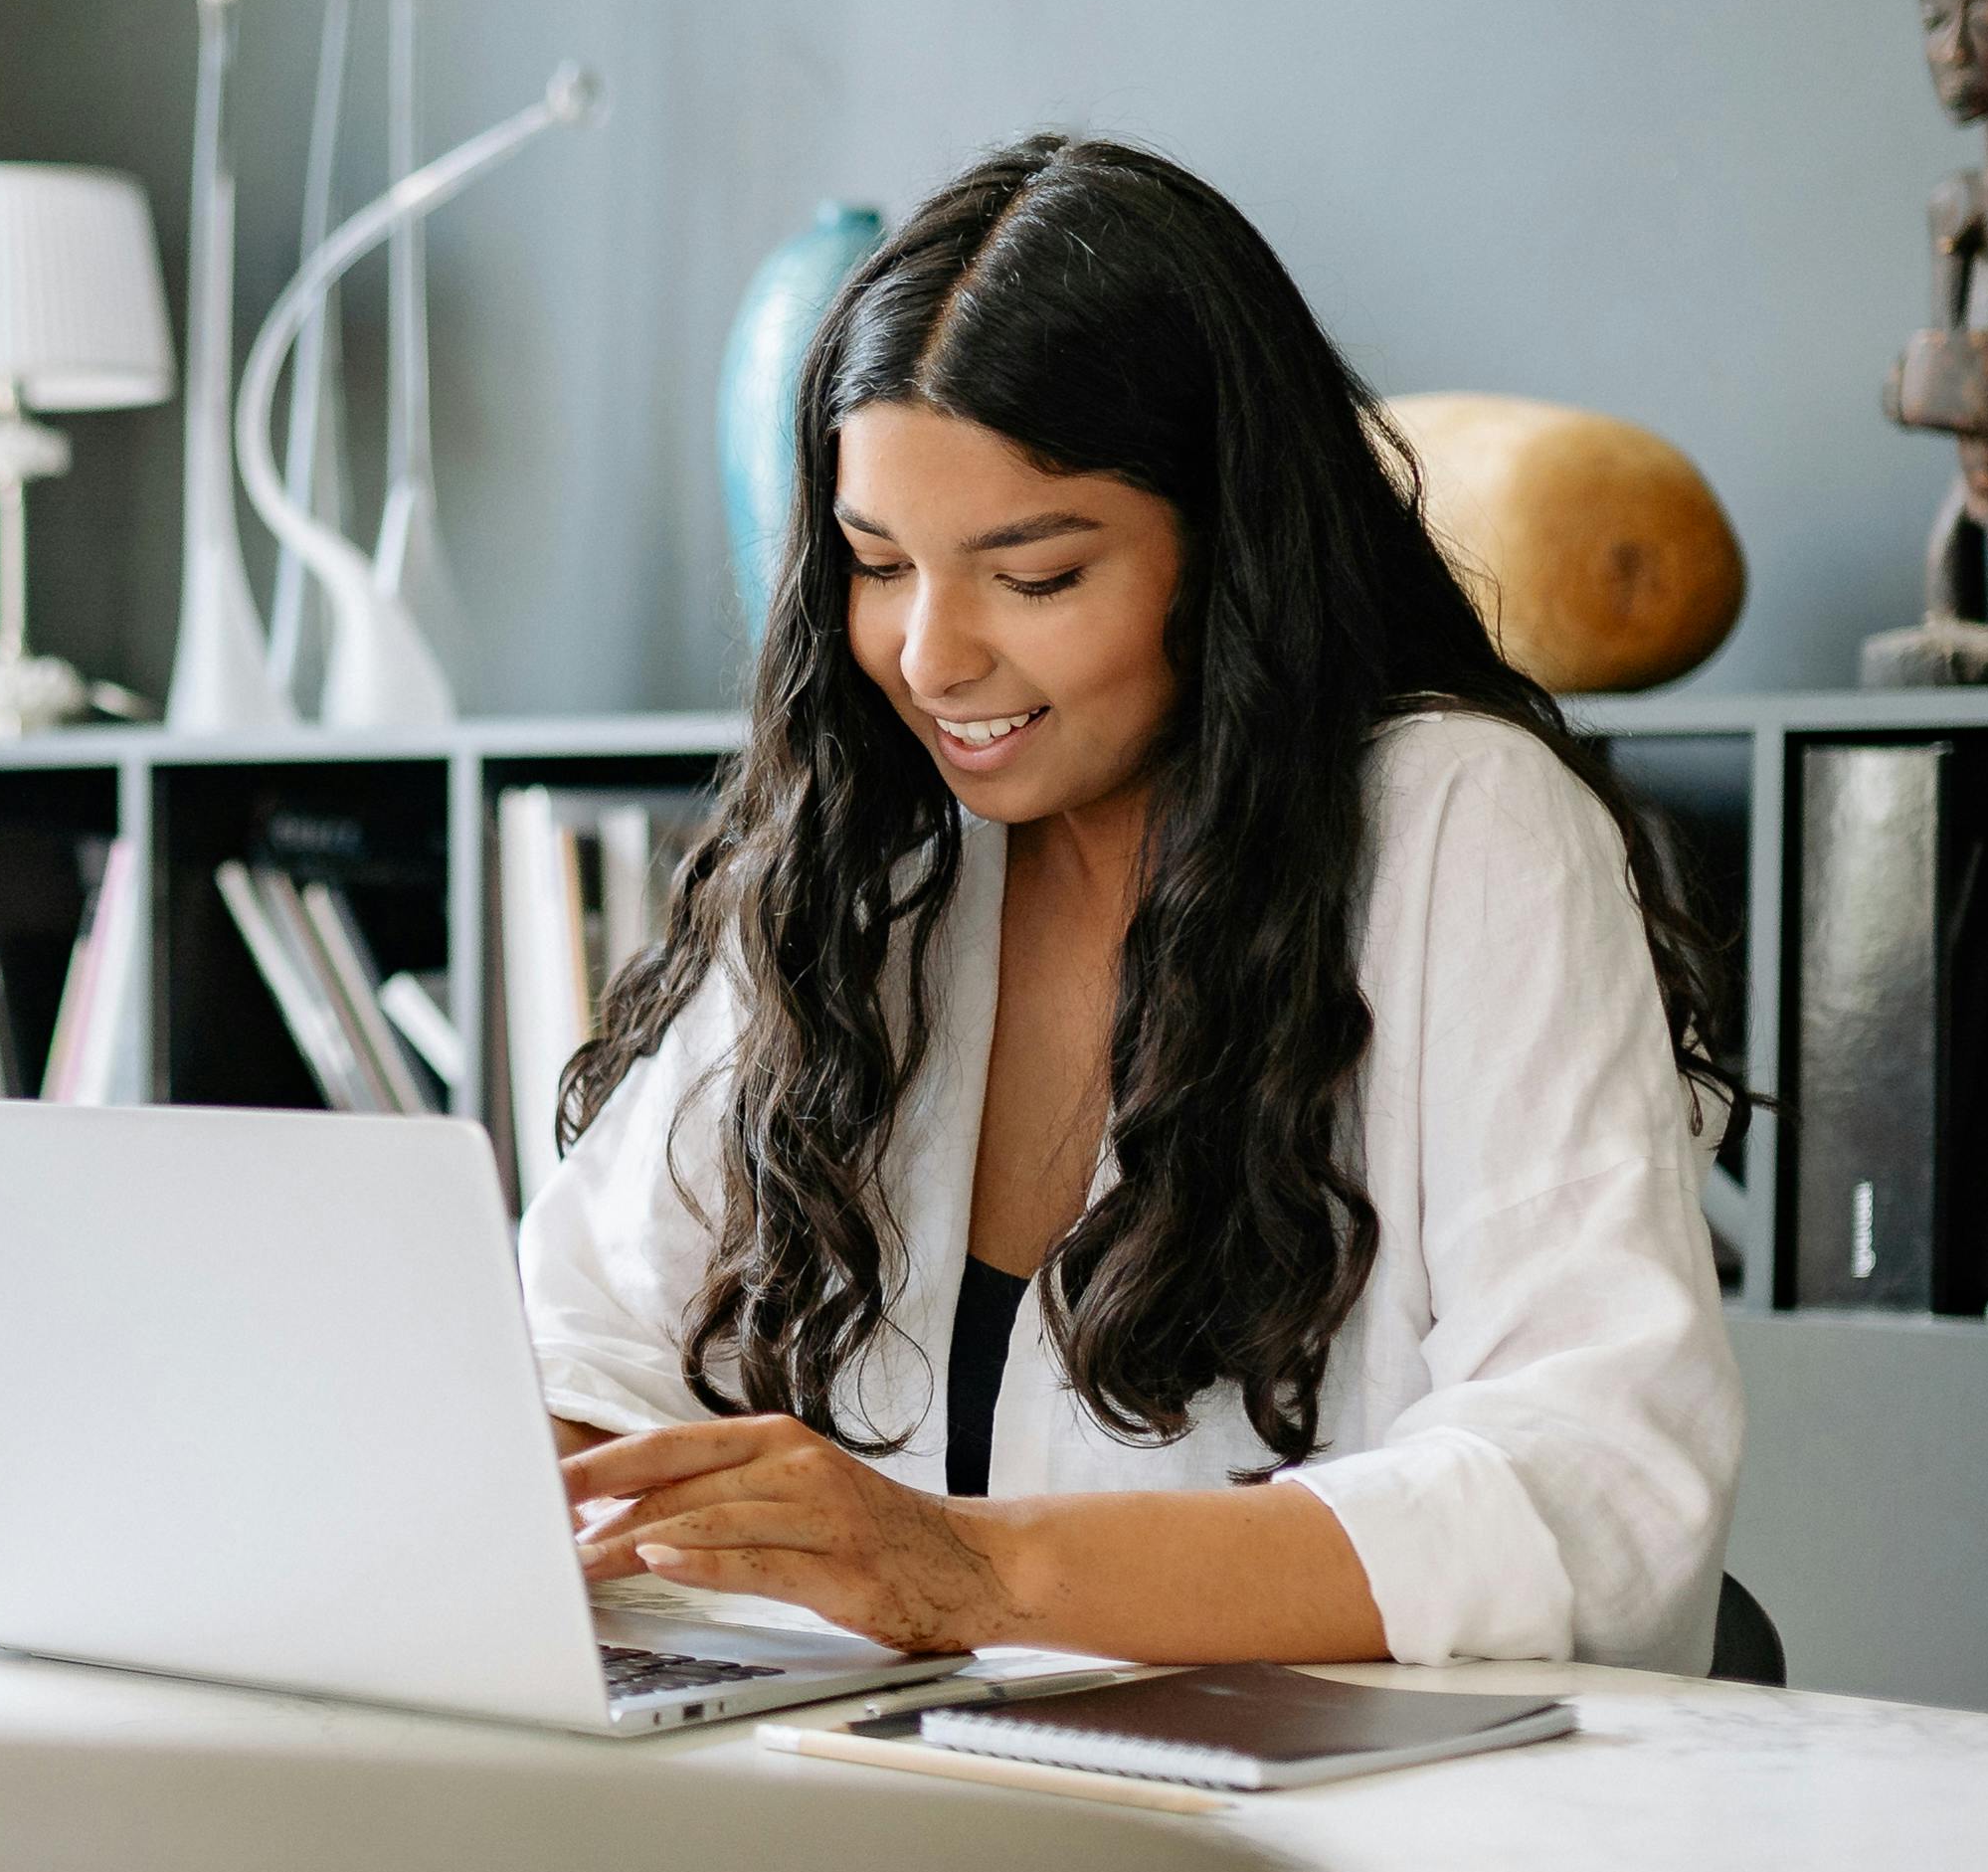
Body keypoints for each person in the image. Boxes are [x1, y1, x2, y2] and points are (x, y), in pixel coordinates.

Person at [527, 134, 1743, 1671]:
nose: (929, 658)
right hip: (893, 1842)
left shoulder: (1462, 830)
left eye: (1033, 575)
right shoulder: (873, 863)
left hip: (1331, 1863)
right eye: (878, 563)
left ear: (1229, 549)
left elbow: (1600, 1481)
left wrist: (969, 1573)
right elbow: (585, 1333)